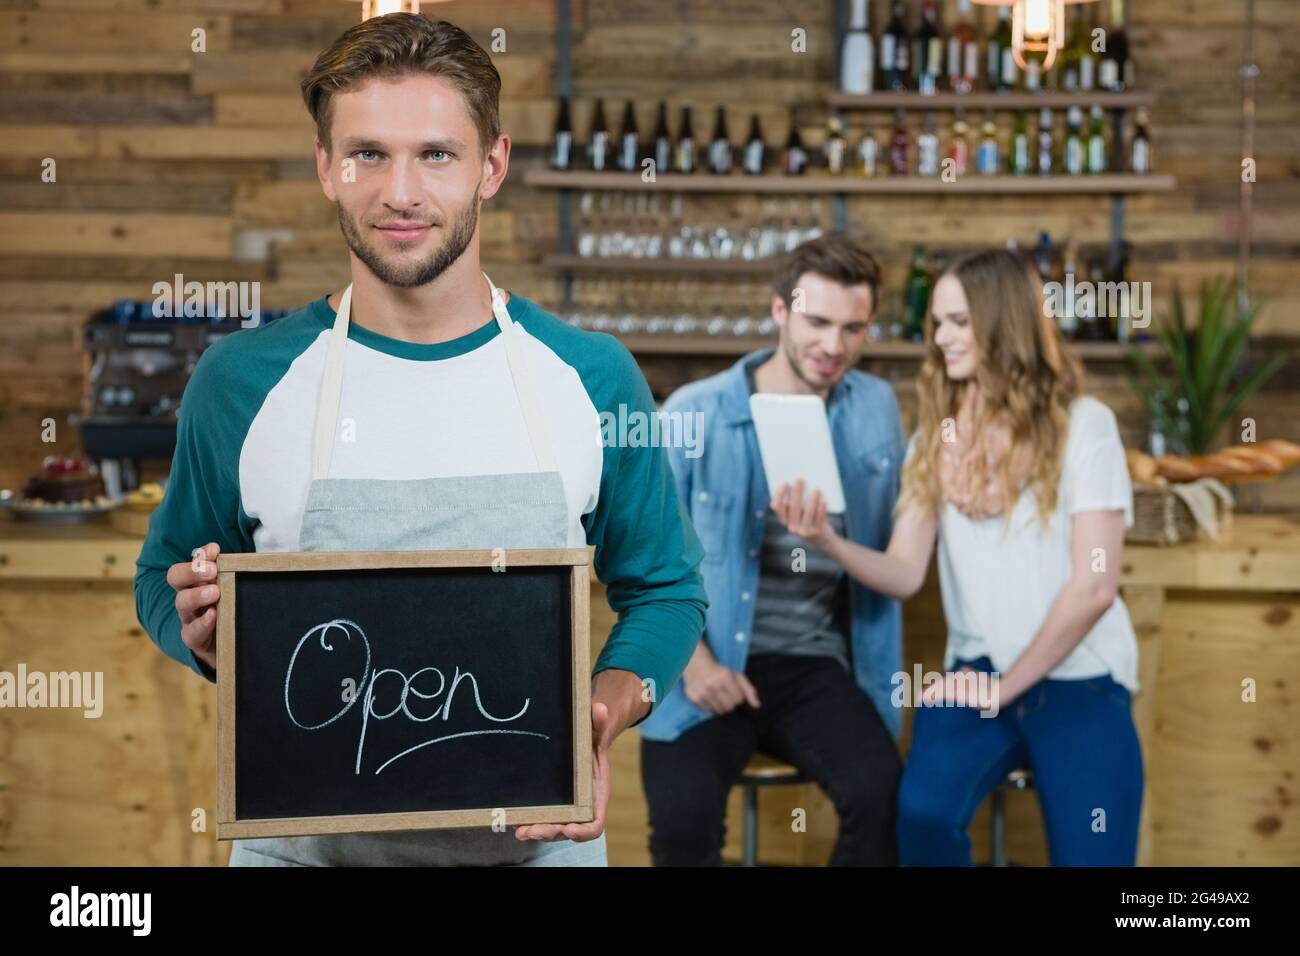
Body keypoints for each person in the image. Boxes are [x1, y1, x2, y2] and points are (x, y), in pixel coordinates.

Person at [133, 13, 707, 867]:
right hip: (300, 854)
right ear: (326, 168)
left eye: (436, 154)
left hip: (539, 852)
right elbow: (160, 576)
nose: (400, 191)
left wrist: (604, 708)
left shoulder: (591, 377)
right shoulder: (240, 381)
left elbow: (666, 588)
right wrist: (210, 638)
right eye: (367, 153)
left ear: (493, 166)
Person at [773, 248, 1144, 866]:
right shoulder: (937, 436)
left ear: (1006, 321)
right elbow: (903, 572)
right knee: (921, 816)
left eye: (959, 322)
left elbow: (1094, 588)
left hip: (1081, 678)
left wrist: (1006, 688)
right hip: (976, 675)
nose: (941, 336)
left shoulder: (1085, 426)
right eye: (938, 323)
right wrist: (827, 541)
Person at [638, 235, 906, 866]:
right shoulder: (694, 413)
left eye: (853, 328)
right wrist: (697, 665)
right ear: (780, 312)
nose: (833, 346)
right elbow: (642, 561)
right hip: (703, 660)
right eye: (817, 322)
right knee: (683, 826)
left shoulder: (876, 409)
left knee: (882, 797)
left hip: (814, 665)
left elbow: (904, 530)